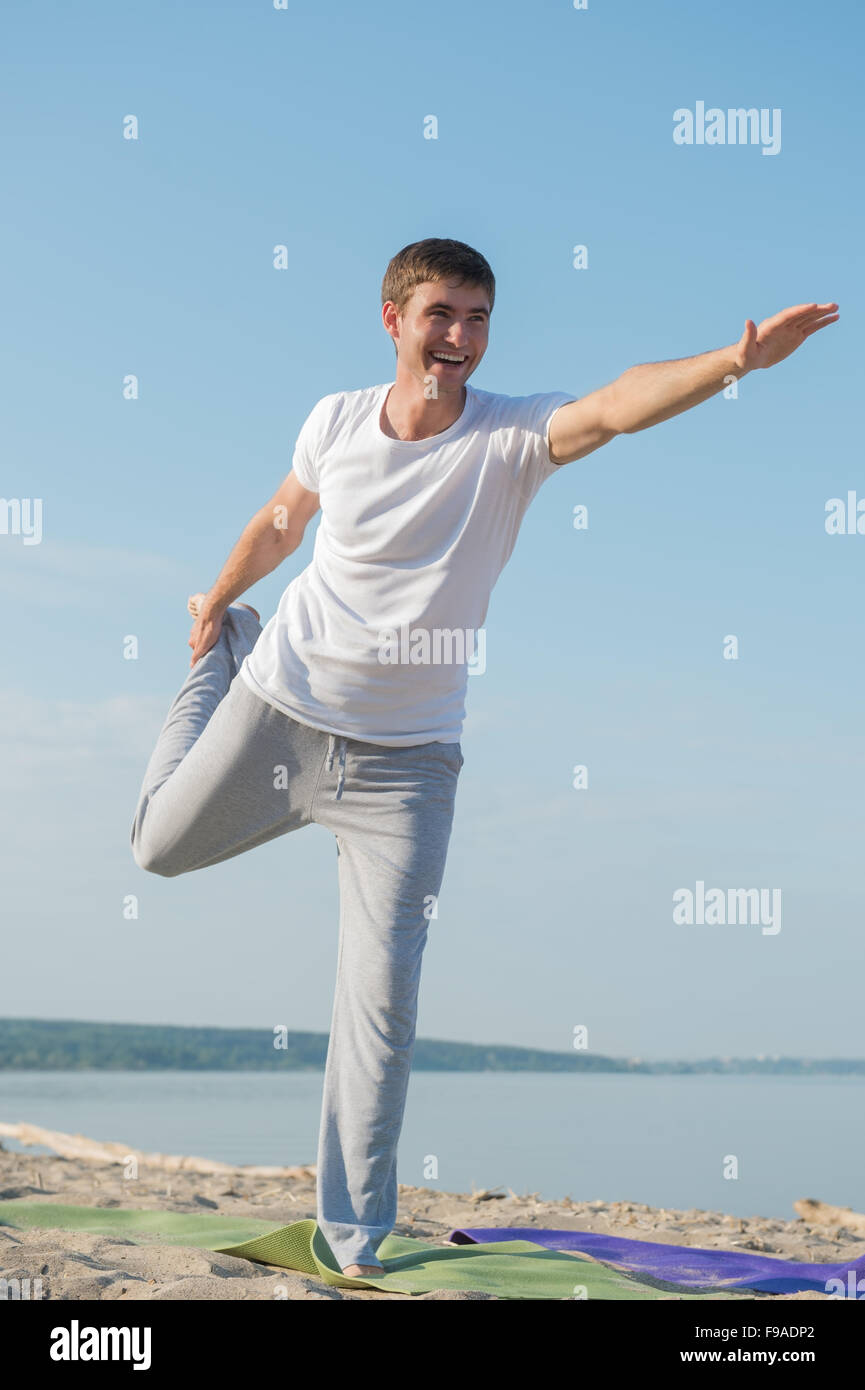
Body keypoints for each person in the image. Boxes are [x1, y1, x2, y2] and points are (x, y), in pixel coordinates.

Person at [130, 237, 838, 1276]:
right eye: (441, 315)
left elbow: (610, 404)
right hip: (279, 711)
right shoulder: (335, 418)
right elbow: (282, 523)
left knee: (382, 1003)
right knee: (154, 849)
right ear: (394, 320)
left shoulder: (507, 438)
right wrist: (217, 601)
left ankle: (354, 1236)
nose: (460, 337)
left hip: (407, 768)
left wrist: (729, 364)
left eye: (478, 319)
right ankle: (225, 646)